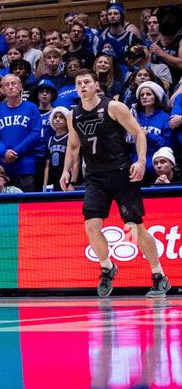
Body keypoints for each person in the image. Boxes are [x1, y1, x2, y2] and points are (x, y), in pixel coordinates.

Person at [61, 71, 170, 298]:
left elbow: (138, 133)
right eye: (79, 83)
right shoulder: (73, 115)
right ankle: (107, 268)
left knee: (135, 227)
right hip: (95, 177)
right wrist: (66, 171)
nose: (83, 86)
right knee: (91, 226)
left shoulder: (113, 107)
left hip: (121, 173)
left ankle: (159, 274)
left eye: (87, 82)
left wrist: (141, 162)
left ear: (96, 85)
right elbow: (73, 146)